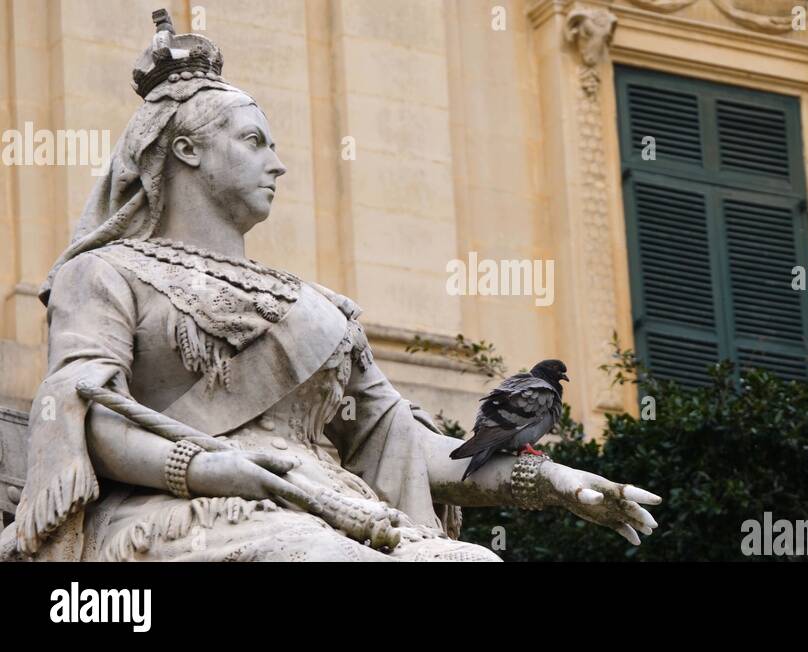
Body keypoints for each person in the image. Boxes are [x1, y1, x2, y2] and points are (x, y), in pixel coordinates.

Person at [0, 10, 659, 562]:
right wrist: (207, 470)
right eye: (254, 141)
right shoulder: (105, 272)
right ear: (186, 150)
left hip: (335, 507)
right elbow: (86, 416)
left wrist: (553, 480)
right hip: (185, 514)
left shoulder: (320, 312)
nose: (277, 164)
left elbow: (409, 445)